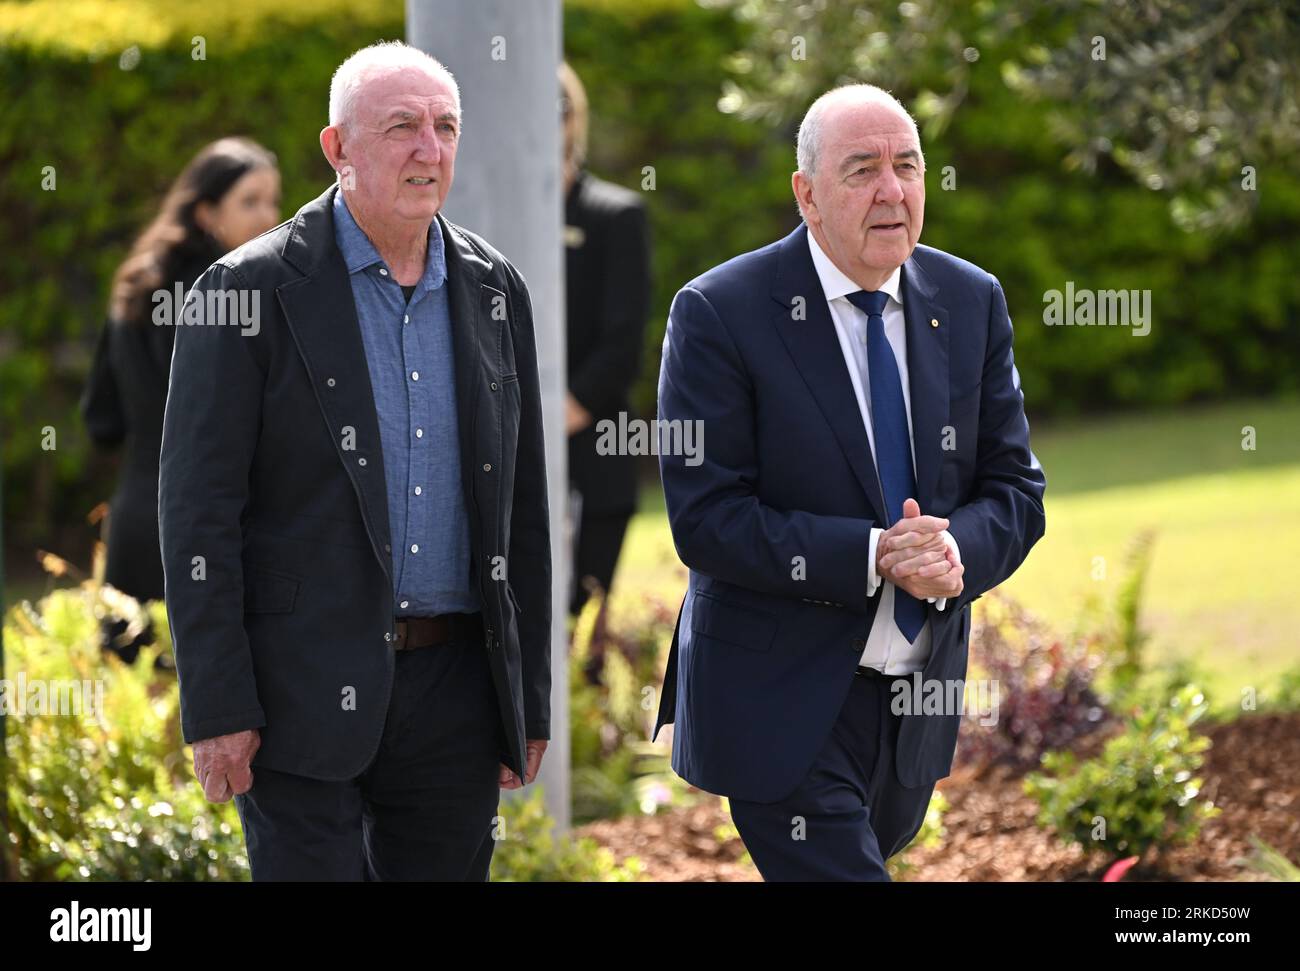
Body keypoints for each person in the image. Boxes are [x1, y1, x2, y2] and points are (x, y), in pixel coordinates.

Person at [158, 41, 552, 881]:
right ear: (338, 148)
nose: (429, 150)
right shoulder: (243, 293)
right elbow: (198, 514)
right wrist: (219, 705)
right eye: (402, 127)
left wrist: (531, 696)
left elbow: (523, 507)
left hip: (454, 694)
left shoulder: (495, 287)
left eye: (446, 127)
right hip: (298, 687)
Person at [653, 84, 1046, 881]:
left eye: (907, 165)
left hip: (913, 702)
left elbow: (1015, 490)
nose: (892, 190)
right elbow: (707, 517)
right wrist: (874, 553)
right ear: (807, 195)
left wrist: (949, 549)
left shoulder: (970, 301)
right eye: (862, 169)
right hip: (777, 700)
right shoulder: (720, 312)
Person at [81, 137, 280, 663]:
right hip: (214, 528)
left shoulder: (134, 284)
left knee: (139, 711)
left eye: (274, 202)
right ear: (206, 211)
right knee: (213, 715)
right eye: (251, 201)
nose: (270, 217)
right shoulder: (239, 293)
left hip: (136, 523)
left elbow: (101, 419)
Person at [559, 62, 652, 674]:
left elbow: (625, 338)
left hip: (593, 449)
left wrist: (565, 410)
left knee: (582, 620)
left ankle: (587, 756)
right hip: (509, 446)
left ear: (573, 118)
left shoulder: (615, 215)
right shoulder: (478, 214)